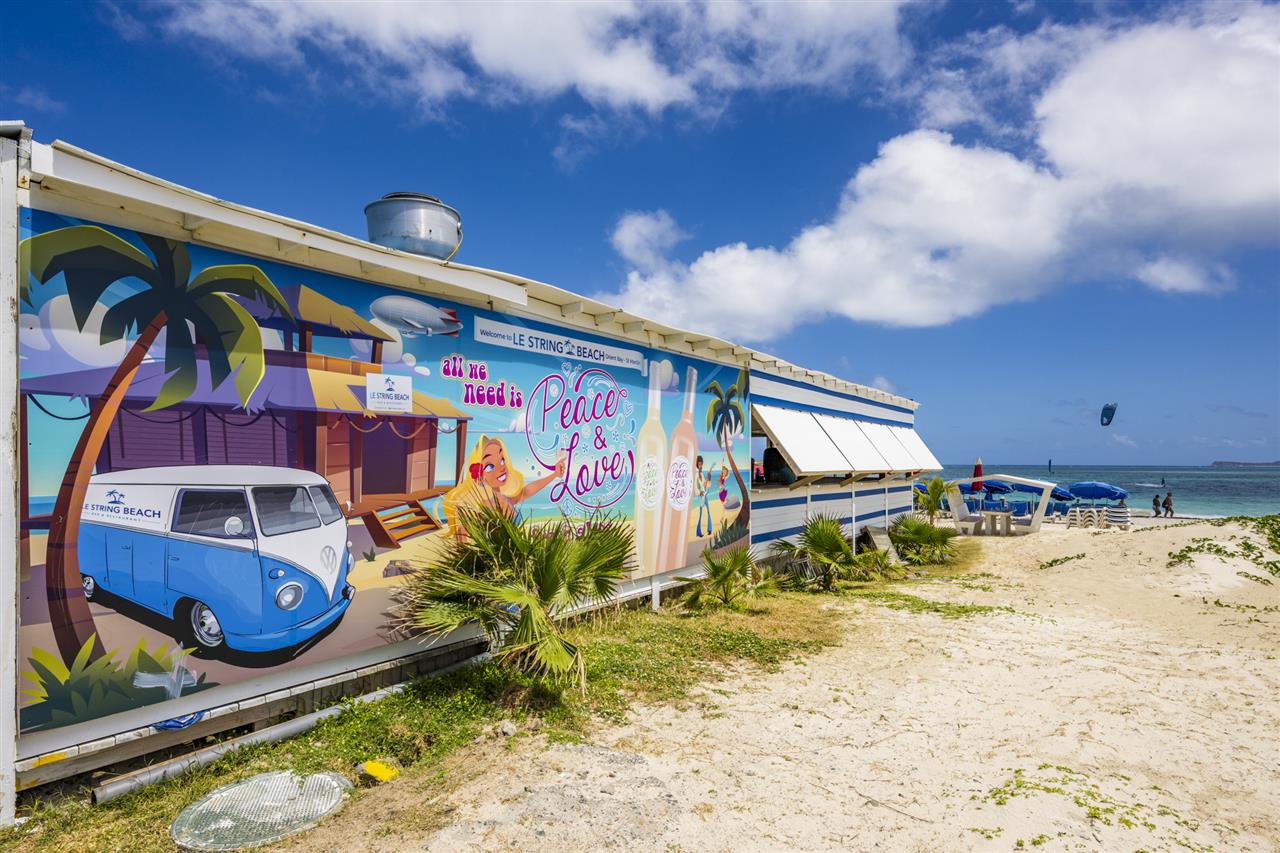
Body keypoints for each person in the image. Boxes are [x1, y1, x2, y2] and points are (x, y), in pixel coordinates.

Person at [442, 435, 565, 540]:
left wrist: (554, 474)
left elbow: (526, 491)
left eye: (502, 460)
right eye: (490, 466)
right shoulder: (484, 508)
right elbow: (462, 532)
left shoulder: (506, 499)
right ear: (480, 476)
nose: (501, 467)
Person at [694, 455, 712, 537]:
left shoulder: (702, 473)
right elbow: (695, 487)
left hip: (705, 495)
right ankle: (698, 532)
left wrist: (709, 480)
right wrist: (699, 493)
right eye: (699, 464)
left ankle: (709, 529)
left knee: (708, 512)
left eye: (701, 464)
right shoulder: (696, 475)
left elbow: (705, 485)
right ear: (697, 464)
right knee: (700, 514)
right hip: (701, 497)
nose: (700, 465)